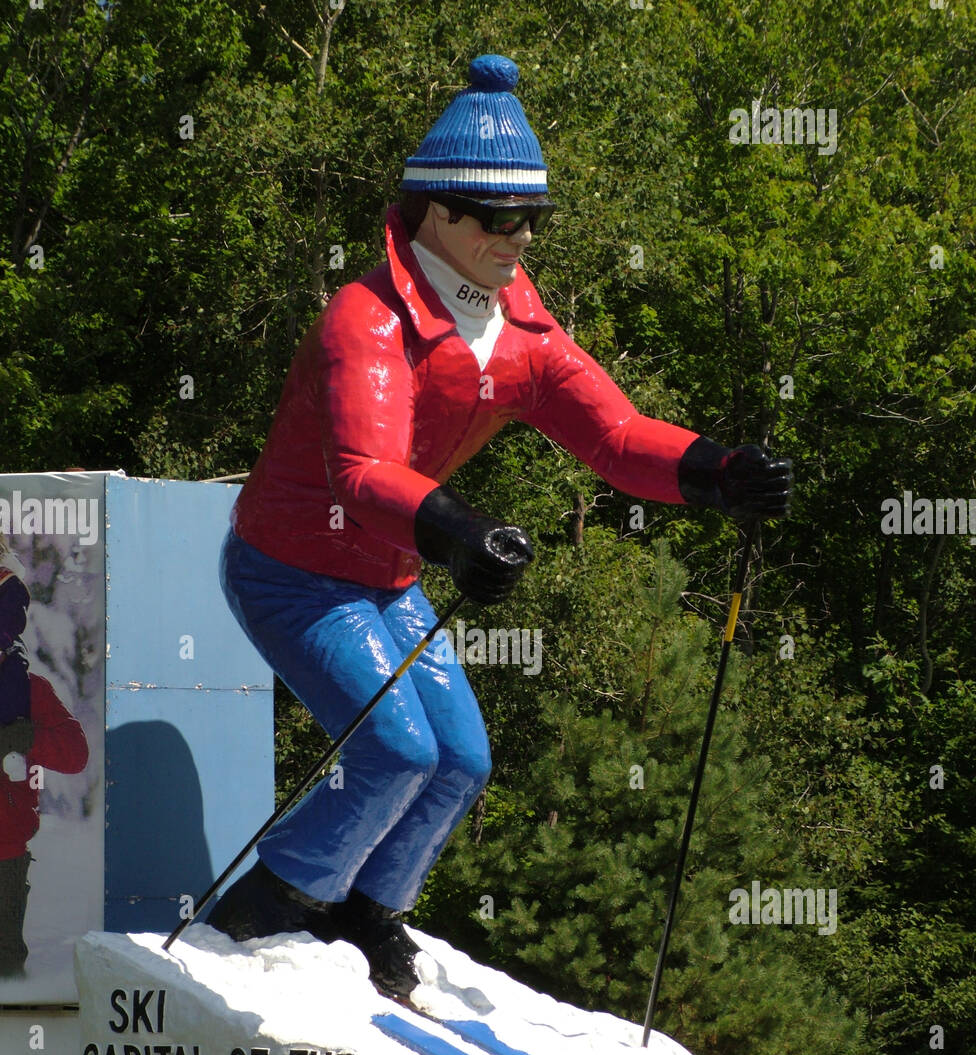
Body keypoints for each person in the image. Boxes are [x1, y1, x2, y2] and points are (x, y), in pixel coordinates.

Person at [207, 54, 791, 994]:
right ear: (436, 213)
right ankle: (268, 907)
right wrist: (456, 528)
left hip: (389, 574)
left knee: (460, 762)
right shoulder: (368, 322)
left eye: (531, 219)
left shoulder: (520, 332)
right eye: (497, 218)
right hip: (294, 570)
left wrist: (716, 471)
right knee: (395, 748)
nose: (517, 238)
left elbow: (617, 436)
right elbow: (359, 473)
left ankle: (366, 914)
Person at [0, 549, 90, 976]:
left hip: (6, 858)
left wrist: (26, 737)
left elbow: (75, 754)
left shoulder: (30, 690)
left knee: (6, 971)